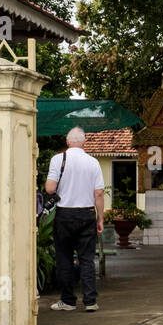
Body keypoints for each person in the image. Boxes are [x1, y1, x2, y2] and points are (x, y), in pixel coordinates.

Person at [45, 127, 105, 312]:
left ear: (67, 141)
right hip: (86, 214)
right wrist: (100, 218)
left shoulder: (58, 159)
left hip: (64, 214)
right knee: (87, 259)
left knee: (64, 258)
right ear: (84, 142)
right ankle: (90, 301)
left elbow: (49, 188)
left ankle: (68, 301)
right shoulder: (93, 162)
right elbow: (99, 193)